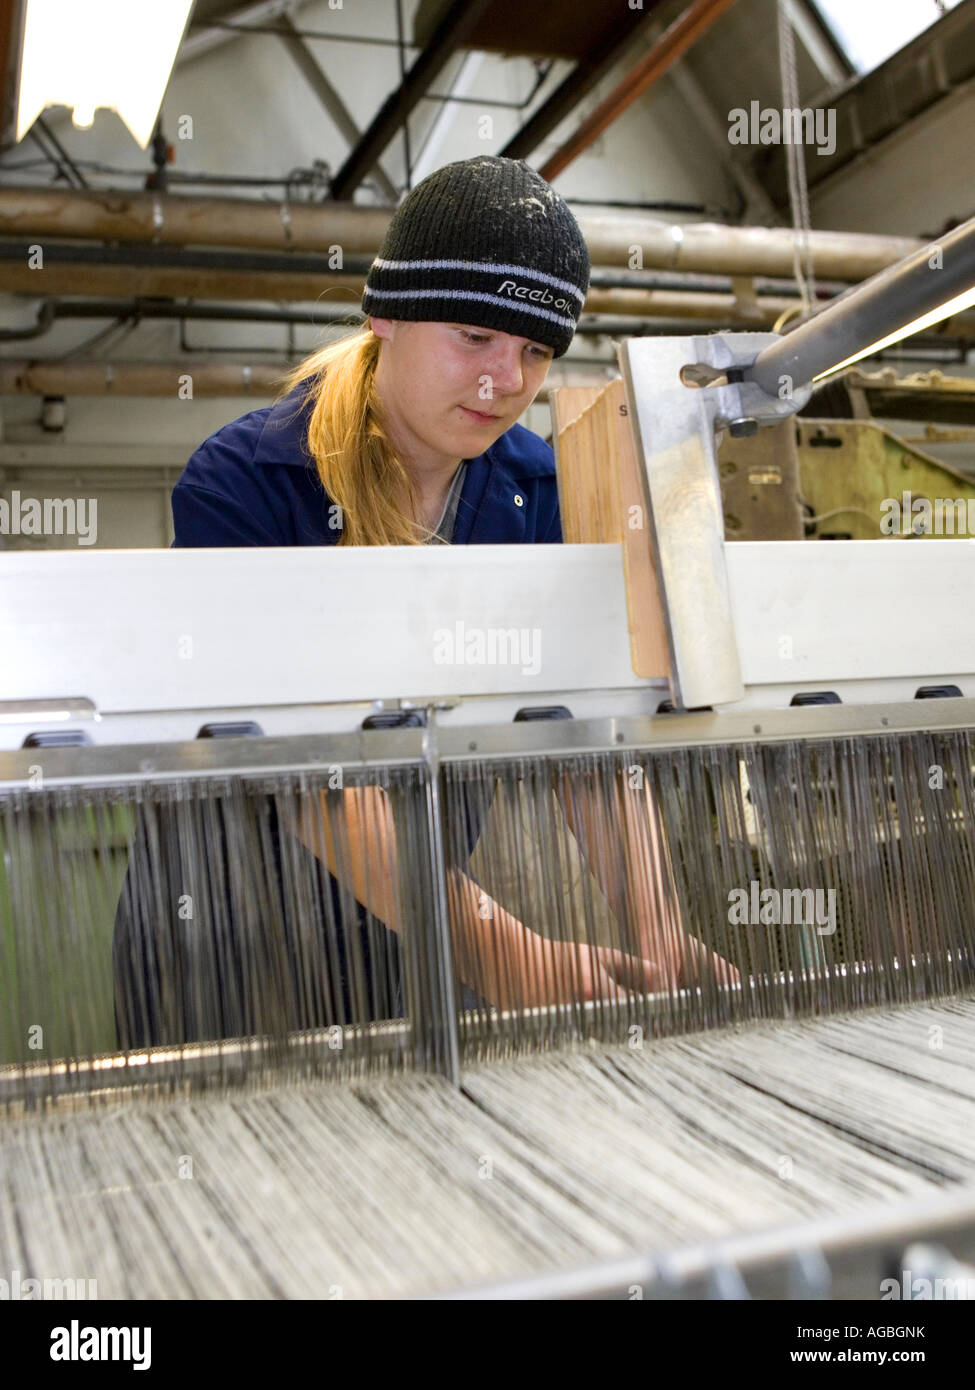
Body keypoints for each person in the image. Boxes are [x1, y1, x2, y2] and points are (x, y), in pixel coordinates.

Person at [114, 157, 734, 1048]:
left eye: (534, 350)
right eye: (474, 336)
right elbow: (296, 770)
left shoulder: (538, 492)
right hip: (222, 932)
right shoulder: (249, 480)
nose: (504, 381)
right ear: (386, 318)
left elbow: (587, 733)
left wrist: (659, 929)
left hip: (408, 919)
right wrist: (501, 951)